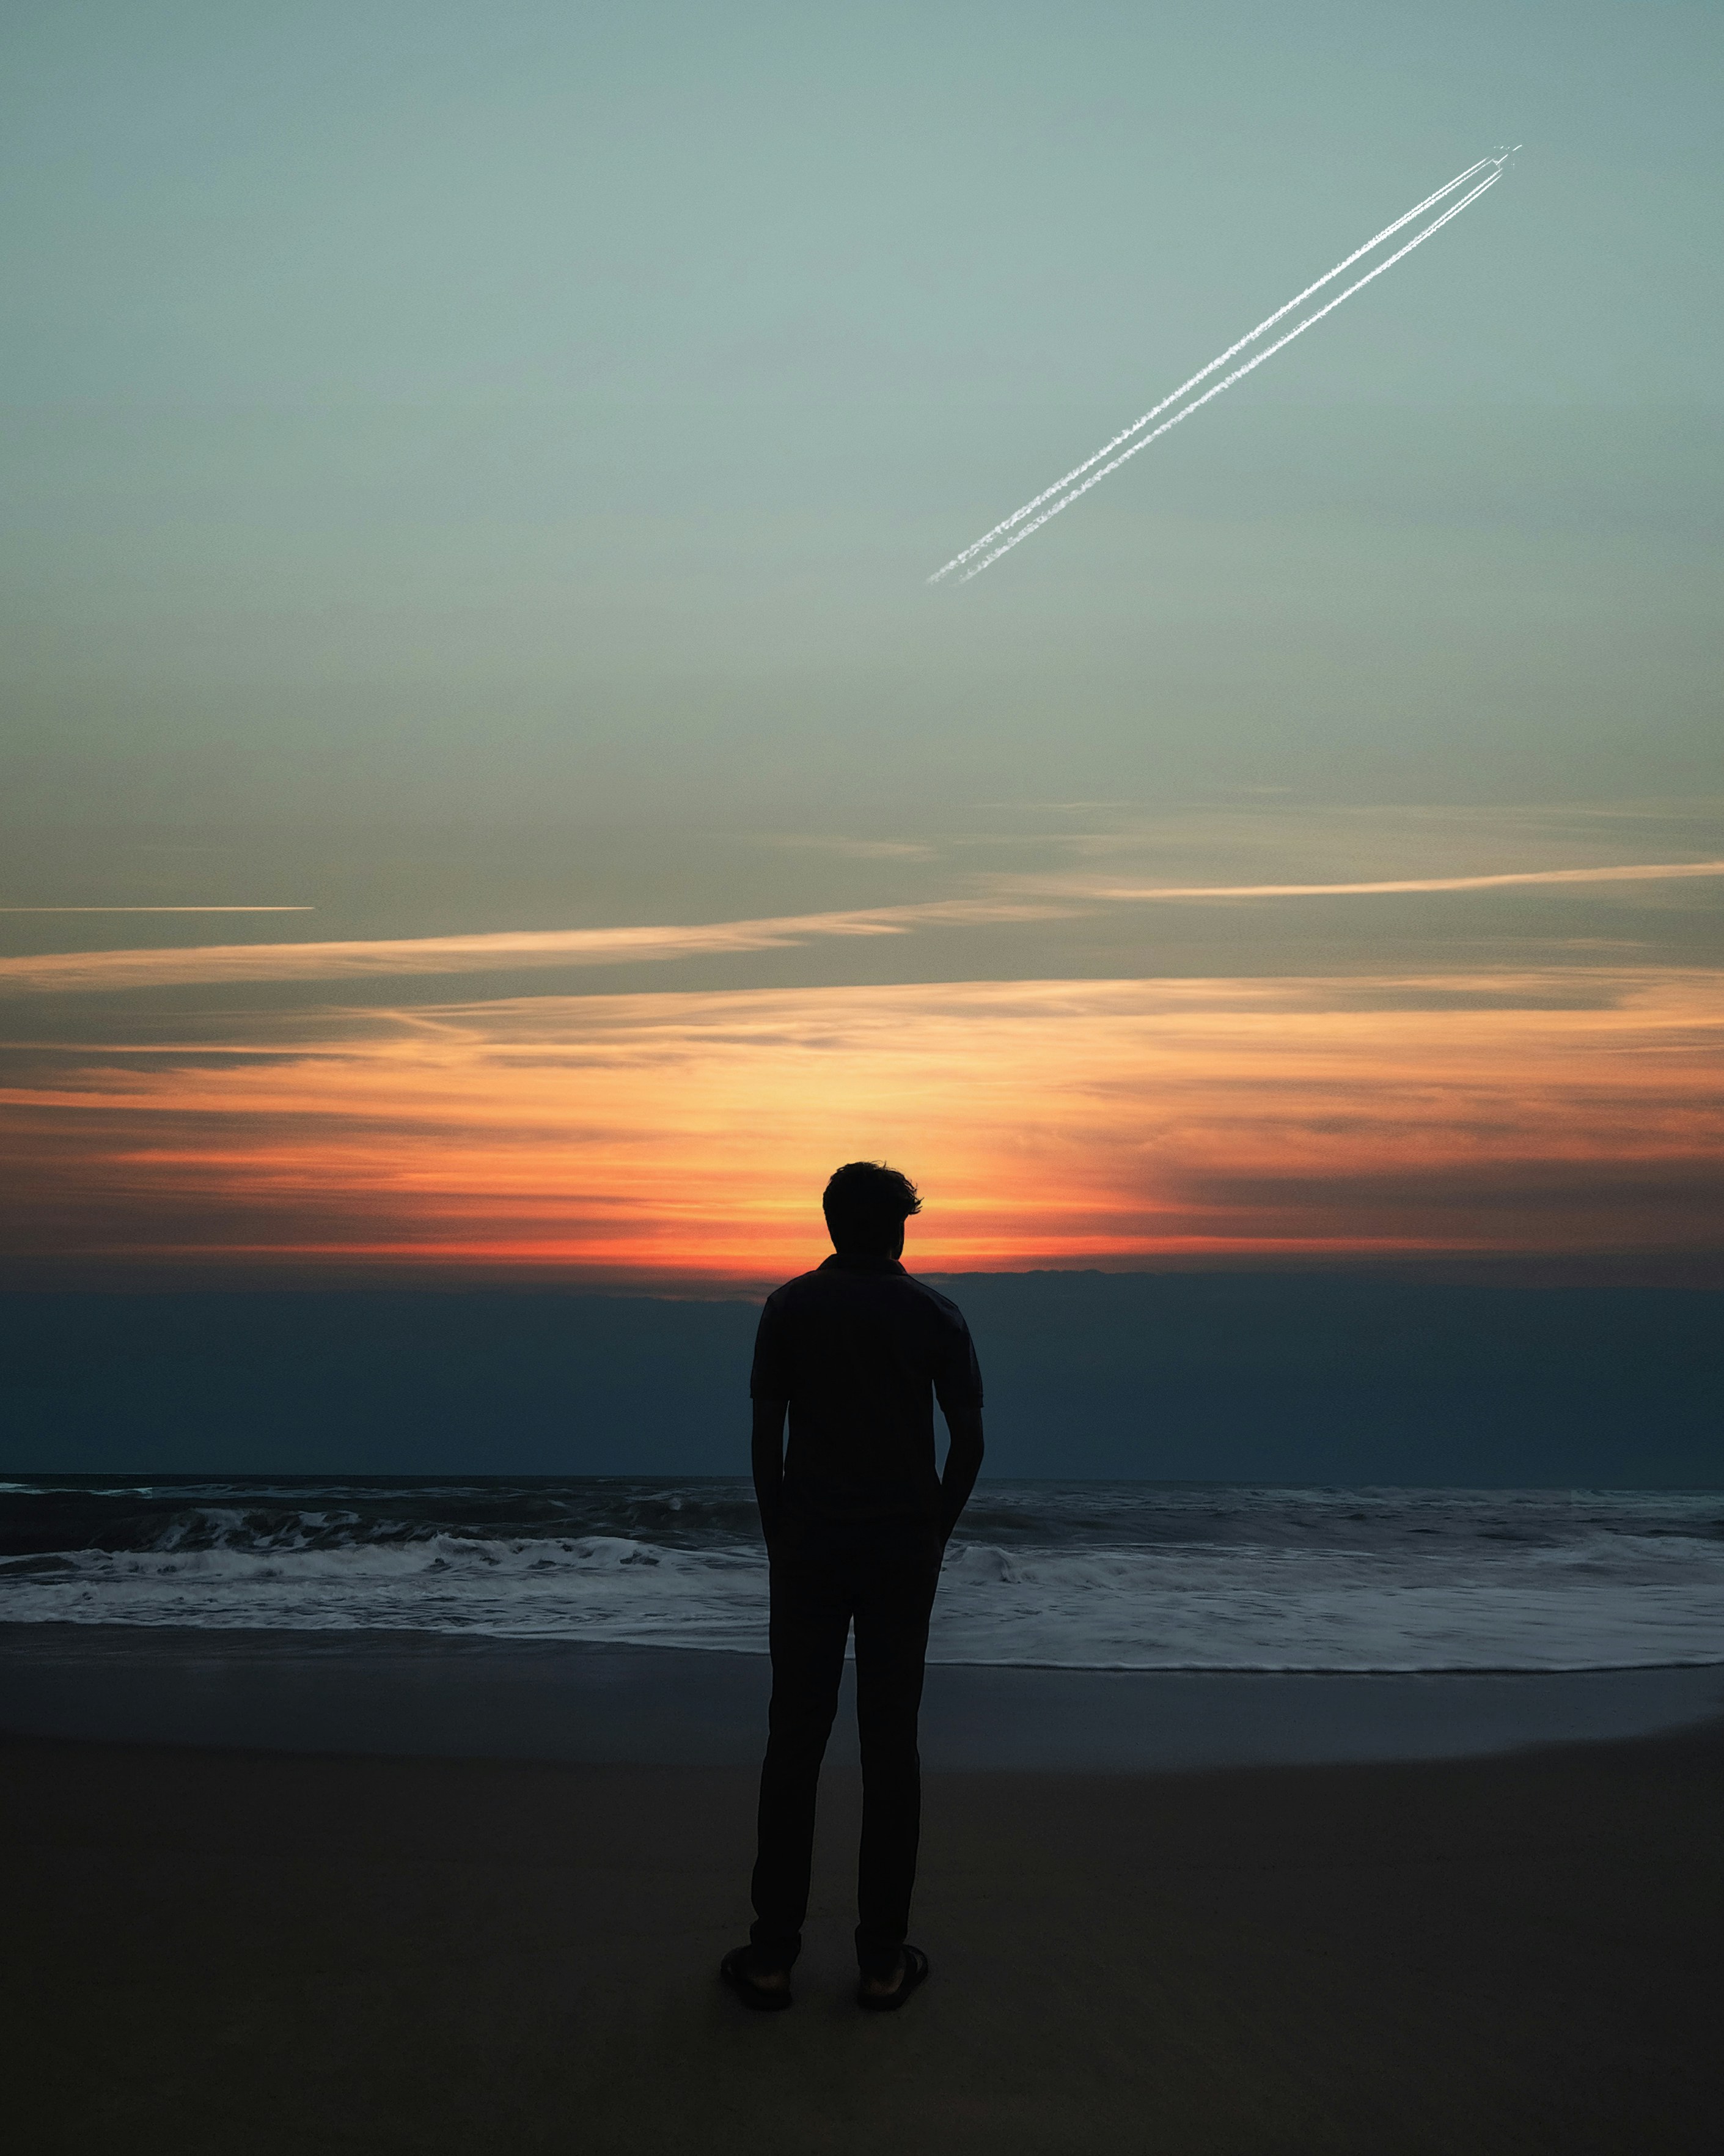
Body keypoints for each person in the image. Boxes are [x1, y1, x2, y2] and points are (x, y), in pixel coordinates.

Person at [720, 1161, 985, 2014]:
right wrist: (932, 1531)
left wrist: (777, 1533)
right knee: (888, 1745)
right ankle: (879, 1960)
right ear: (898, 1229)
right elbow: (969, 1443)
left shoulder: (788, 1308)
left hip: (809, 1545)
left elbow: (766, 1436)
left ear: (832, 1224)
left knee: (793, 1741)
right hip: (899, 1550)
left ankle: (770, 1956)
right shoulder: (935, 1314)